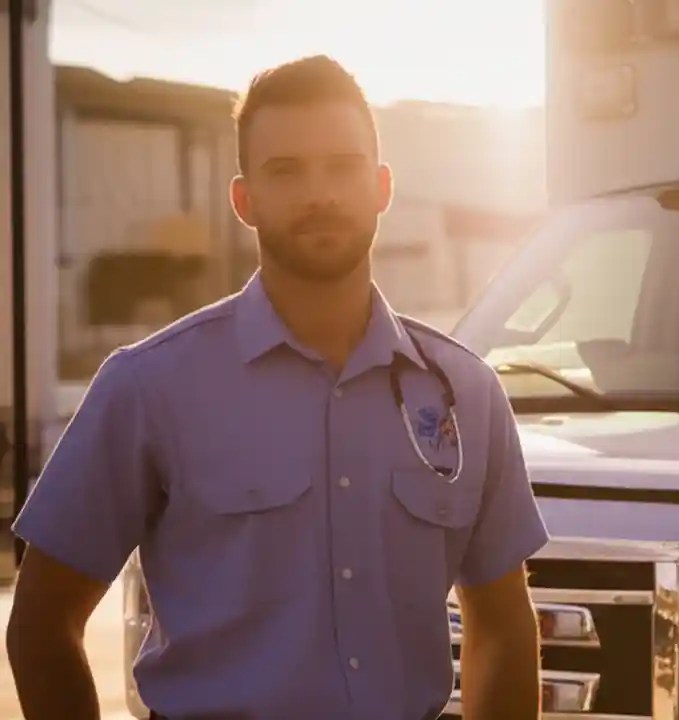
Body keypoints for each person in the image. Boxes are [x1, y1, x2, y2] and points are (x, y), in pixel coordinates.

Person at [6, 55, 547, 720]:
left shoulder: (465, 392)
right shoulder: (150, 387)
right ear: (244, 200)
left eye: (342, 166)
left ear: (382, 186)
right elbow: (41, 625)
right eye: (285, 170)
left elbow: (503, 627)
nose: (320, 193)